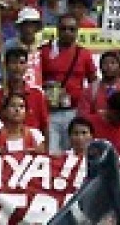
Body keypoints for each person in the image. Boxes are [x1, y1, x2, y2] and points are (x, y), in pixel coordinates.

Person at [41, 13, 96, 153]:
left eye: (71, 29)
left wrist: (89, 108)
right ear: (57, 30)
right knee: (52, 153)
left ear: (77, 32)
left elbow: (93, 81)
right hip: (50, 112)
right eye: (63, 28)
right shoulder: (44, 51)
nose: (67, 32)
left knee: (73, 152)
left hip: (74, 111)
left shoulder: (84, 54)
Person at [0, 47, 50, 136]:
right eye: (13, 62)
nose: (17, 67)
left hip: (32, 146)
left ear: (26, 66)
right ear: (6, 66)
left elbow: (45, 126)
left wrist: (45, 148)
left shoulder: (37, 94)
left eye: (21, 63)